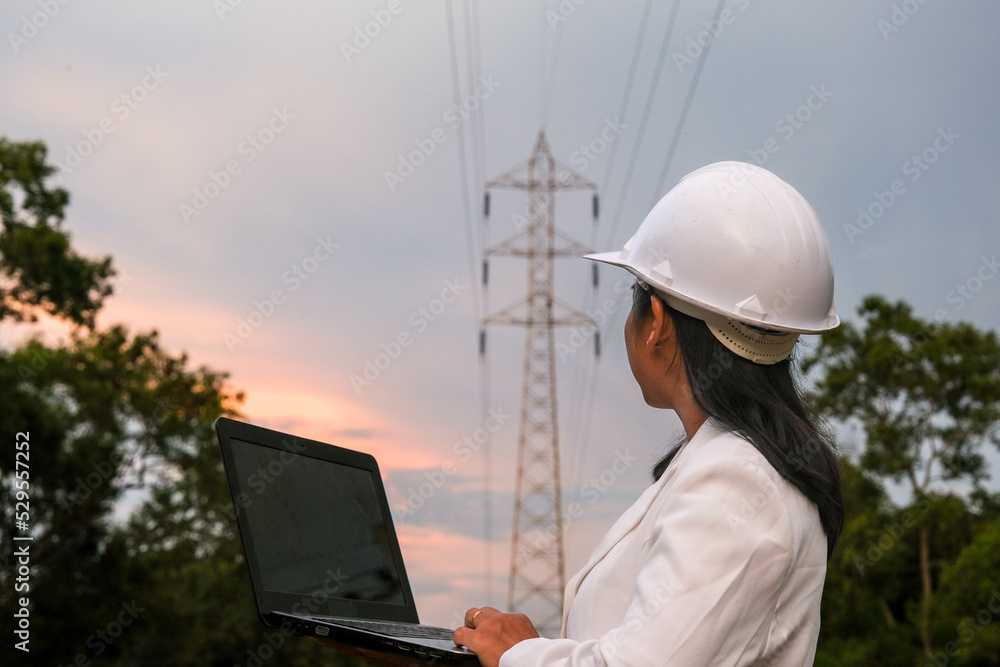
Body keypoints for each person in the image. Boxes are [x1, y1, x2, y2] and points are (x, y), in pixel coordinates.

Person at [452, 161, 845, 667]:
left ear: (655, 321)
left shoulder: (736, 480)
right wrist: (540, 649)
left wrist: (522, 657)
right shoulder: (738, 465)